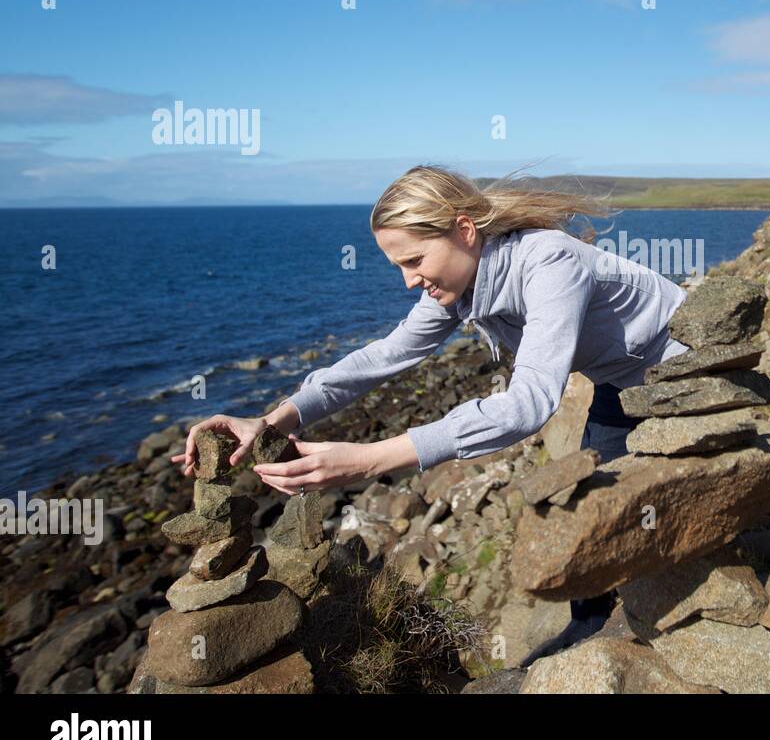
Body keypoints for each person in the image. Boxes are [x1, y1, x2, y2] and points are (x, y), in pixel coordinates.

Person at [170, 165, 691, 630]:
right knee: (597, 505)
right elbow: (382, 357)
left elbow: (530, 402)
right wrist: (276, 419)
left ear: (464, 230)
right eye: (398, 265)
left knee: (624, 503)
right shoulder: (457, 286)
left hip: (681, 372)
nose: (407, 280)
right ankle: (594, 626)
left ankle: (660, 606)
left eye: (414, 259)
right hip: (619, 381)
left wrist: (374, 459)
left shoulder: (548, 261)